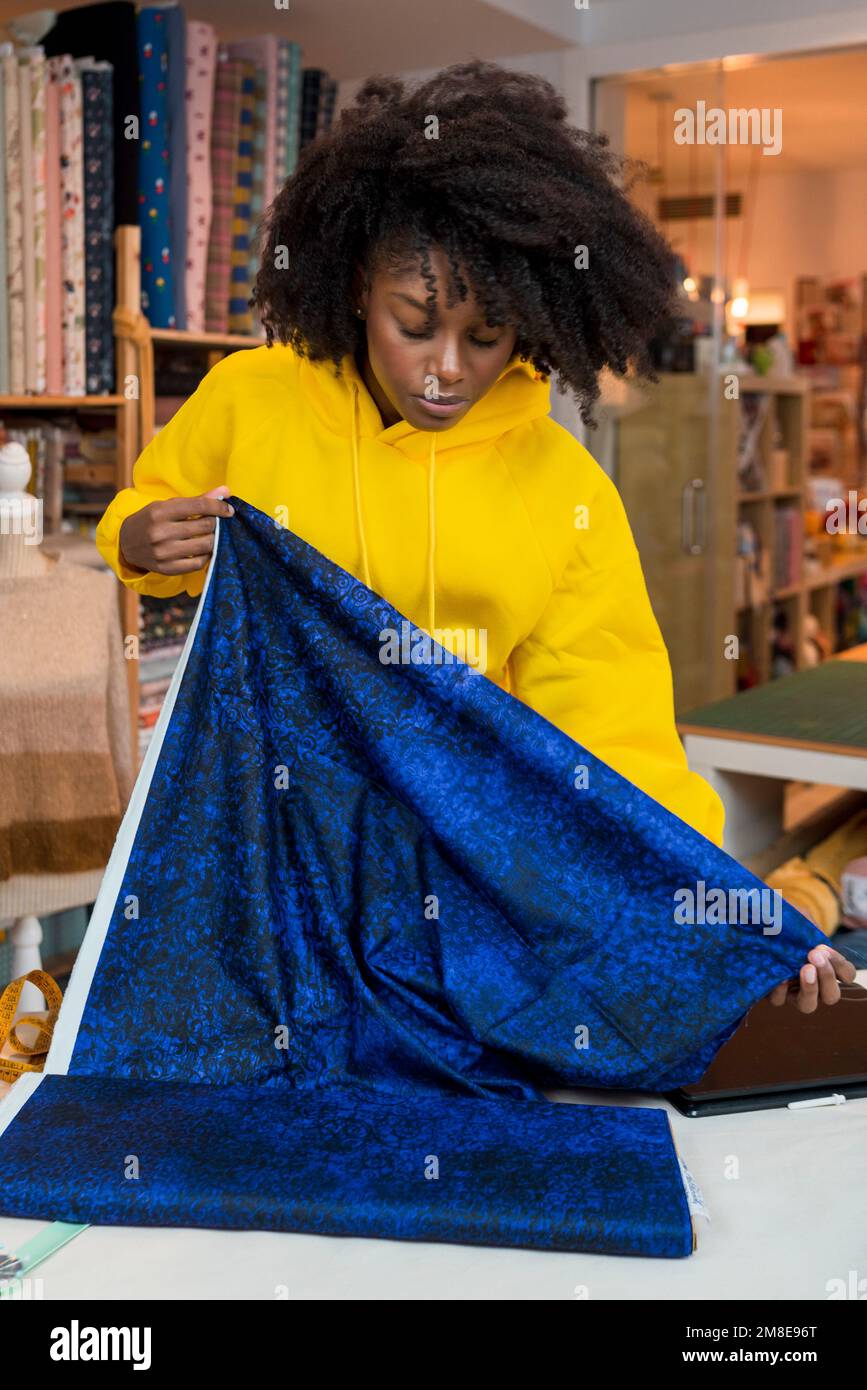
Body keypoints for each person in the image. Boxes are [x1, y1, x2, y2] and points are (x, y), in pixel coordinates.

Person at [96, 60, 853, 1012]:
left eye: (487, 335)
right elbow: (144, 512)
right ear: (353, 286)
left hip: (449, 874)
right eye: (415, 323)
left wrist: (728, 906)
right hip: (256, 840)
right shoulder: (250, 401)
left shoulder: (562, 489)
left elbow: (617, 740)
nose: (447, 371)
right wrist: (136, 540)